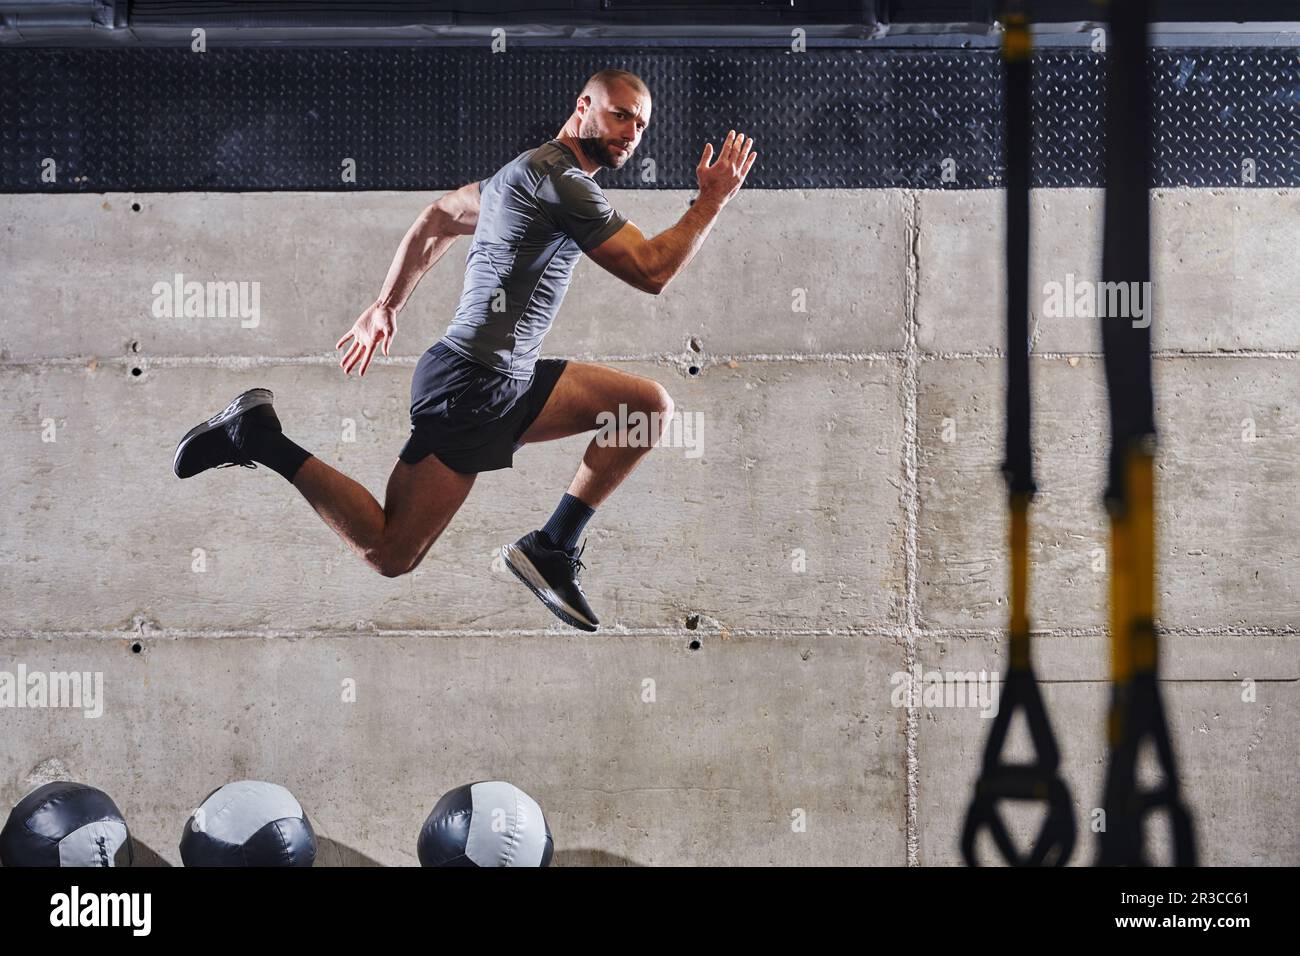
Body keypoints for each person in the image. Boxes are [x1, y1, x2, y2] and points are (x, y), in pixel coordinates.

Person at [173, 68, 757, 632]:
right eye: (620, 115)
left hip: (507, 377)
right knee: (390, 551)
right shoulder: (562, 182)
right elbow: (652, 270)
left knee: (642, 409)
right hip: (472, 386)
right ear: (583, 109)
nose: (630, 133)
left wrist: (387, 305)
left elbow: (439, 218)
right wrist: (711, 201)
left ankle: (551, 547)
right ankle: (258, 437)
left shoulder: (521, 174)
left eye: (641, 125)